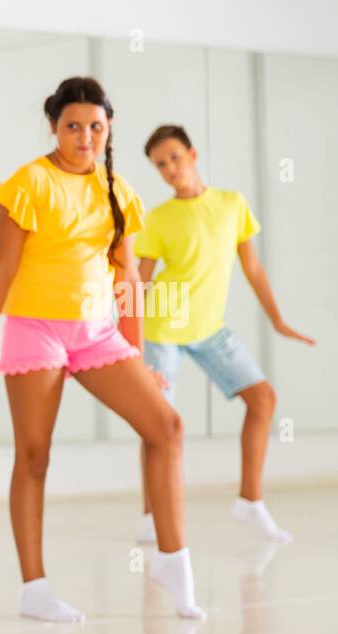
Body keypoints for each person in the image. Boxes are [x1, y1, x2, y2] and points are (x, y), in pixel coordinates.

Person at [0, 77, 204, 621]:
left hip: (96, 332)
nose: (84, 137)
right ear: (54, 126)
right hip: (36, 330)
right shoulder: (28, 184)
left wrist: (140, 360)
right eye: (72, 126)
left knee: (166, 427)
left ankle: (173, 562)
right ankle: (34, 588)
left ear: (108, 130)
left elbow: (127, 279)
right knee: (34, 456)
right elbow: (3, 270)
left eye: (95, 127)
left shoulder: (118, 191)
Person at [135, 124, 314, 544]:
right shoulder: (158, 219)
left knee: (263, 398)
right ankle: (151, 515)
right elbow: (139, 283)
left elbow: (251, 266)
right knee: (158, 424)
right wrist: (130, 347)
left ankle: (250, 502)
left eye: (174, 158)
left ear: (193, 154)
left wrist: (277, 320)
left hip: (210, 329)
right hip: (163, 330)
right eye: (160, 165)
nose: (169, 169)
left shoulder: (232, 205)